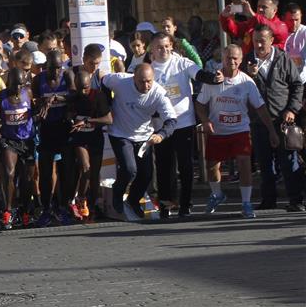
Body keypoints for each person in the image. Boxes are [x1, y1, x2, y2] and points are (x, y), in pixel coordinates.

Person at [196, 45, 280, 218]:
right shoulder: (213, 80)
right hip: (218, 130)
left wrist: (272, 131)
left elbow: (261, 107)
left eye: (235, 58)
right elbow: (200, 105)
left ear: (241, 60)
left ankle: (246, 203)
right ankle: (217, 194)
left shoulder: (247, 82)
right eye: (228, 58)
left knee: (244, 163)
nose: (232, 61)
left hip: (240, 130)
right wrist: (205, 121)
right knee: (212, 166)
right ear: (223, 59)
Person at [147, 32, 223, 218]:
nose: (163, 50)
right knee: (165, 167)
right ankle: (165, 203)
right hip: (161, 125)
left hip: (183, 122)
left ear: (171, 46)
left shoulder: (181, 63)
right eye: (158, 47)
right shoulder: (149, 69)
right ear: (152, 50)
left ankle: (185, 203)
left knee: (186, 166)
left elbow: (199, 74)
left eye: (166, 46)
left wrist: (214, 78)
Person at [102, 64, 177, 220]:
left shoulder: (158, 92)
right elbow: (103, 79)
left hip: (144, 136)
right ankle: (117, 192)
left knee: (146, 174)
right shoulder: (121, 81)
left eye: (149, 81)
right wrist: (107, 105)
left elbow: (171, 120)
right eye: (141, 82)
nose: (146, 85)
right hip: (120, 133)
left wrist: (161, 135)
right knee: (130, 169)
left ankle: (133, 200)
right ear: (133, 78)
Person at [244, 24, 304, 211]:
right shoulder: (247, 61)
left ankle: (296, 200)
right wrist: (250, 76)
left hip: (283, 120)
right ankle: (268, 199)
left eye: (262, 41)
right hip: (259, 121)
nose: (259, 45)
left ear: (271, 40)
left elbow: (297, 86)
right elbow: (240, 87)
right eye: (255, 41)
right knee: (265, 163)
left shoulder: (282, 59)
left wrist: (292, 110)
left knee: (289, 161)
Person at [0, 68, 37, 228]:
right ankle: (8, 211)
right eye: (14, 85)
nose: (17, 88)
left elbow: (34, 111)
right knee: (9, 173)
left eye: (20, 85)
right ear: (8, 82)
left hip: (27, 140)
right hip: (9, 141)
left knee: (28, 178)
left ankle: (26, 211)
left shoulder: (28, 93)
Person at [32, 49, 76, 226]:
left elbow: (75, 94)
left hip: (64, 127)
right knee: (45, 170)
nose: (56, 71)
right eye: (52, 68)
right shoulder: (38, 79)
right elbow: (33, 100)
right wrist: (41, 103)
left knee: (67, 168)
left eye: (58, 67)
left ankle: (64, 206)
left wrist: (57, 97)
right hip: (46, 128)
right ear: (46, 66)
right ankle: (46, 207)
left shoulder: (67, 75)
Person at [67, 70, 112, 221]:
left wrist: (87, 122)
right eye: (79, 88)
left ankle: (92, 205)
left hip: (95, 138)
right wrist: (70, 119)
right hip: (79, 139)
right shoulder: (74, 96)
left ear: (90, 84)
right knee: (85, 168)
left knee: (94, 174)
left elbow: (108, 119)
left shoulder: (98, 96)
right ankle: (80, 199)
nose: (82, 91)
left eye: (85, 87)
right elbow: (68, 113)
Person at [220, 0, 289, 54]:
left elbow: (274, 29)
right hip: (248, 64)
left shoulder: (281, 26)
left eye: (264, 7)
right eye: (258, 6)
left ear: (275, 10)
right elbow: (234, 29)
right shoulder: (252, 22)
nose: (260, 9)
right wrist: (225, 17)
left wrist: (253, 16)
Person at [284, 3, 305, 69]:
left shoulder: (304, 32)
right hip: (283, 76)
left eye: (297, 20)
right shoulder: (279, 32)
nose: (294, 23)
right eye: (291, 20)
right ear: (283, 18)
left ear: (301, 16)